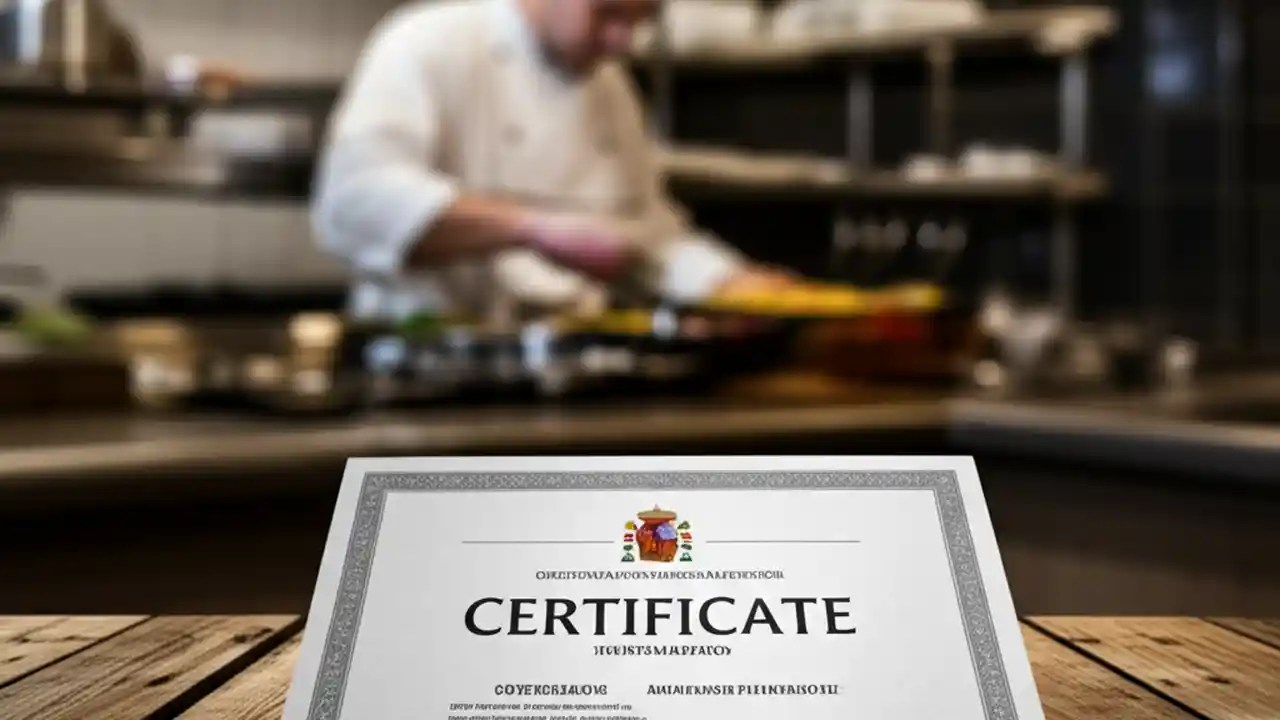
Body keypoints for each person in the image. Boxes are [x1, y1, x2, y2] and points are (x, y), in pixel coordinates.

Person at [312, 0, 787, 323]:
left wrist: (726, 280)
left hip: (572, 361)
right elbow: (352, 201)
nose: (620, 41)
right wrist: (532, 229)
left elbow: (646, 233)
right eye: (608, 13)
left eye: (639, 20)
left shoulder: (610, 86)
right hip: (425, 361)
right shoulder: (427, 42)